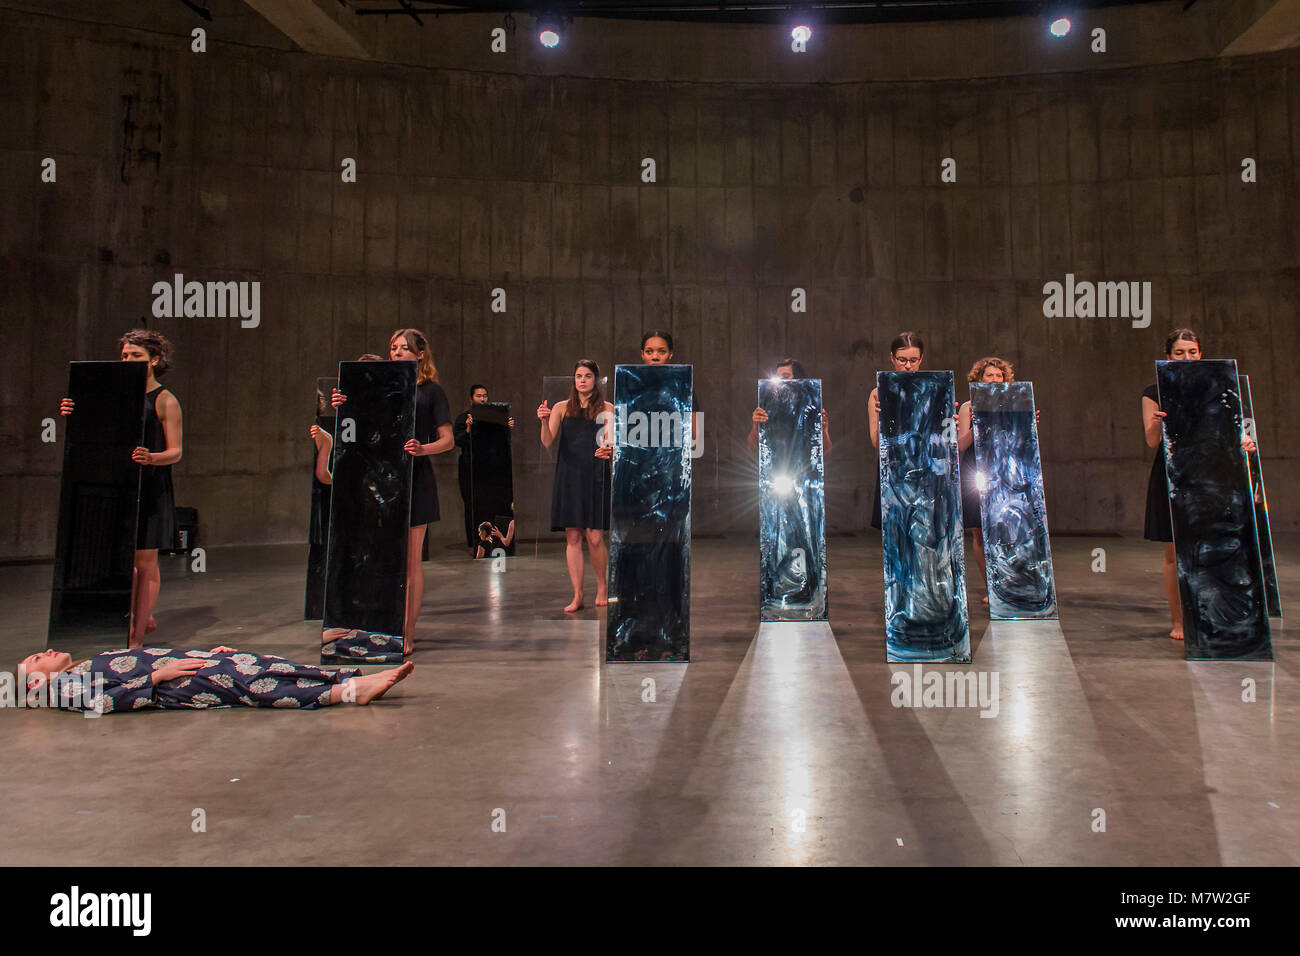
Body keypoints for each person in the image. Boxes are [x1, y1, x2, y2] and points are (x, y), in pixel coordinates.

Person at [59, 330, 183, 649]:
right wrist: (73, 412)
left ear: (154, 360)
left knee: (145, 561)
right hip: (118, 484)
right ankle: (139, 616)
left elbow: (176, 451)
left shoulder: (164, 399)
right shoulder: (112, 394)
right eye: (125, 355)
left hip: (150, 487)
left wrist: (151, 457)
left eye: (135, 356)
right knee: (119, 559)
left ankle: (137, 636)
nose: (127, 360)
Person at [332, 331, 453, 655]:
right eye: (392, 348)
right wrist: (344, 402)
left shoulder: (431, 392)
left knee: (411, 562)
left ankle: (407, 632)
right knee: (379, 557)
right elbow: (359, 428)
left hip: (416, 480)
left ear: (420, 354)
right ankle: (377, 624)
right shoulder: (381, 388)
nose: (397, 353)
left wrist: (422, 447)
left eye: (404, 349)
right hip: (380, 480)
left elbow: (448, 439)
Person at [1141, 328, 1256, 642]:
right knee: (1174, 553)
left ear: (1200, 354)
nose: (1187, 358)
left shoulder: (1219, 386)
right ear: (1169, 357)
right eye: (1180, 353)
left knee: (1213, 548)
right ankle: (1179, 621)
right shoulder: (1155, 390)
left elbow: (1231, 430)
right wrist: (1158, 421)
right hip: (1172, 476)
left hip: (1211, 478)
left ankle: (1211, 616)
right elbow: (1152, 441)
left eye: (1192, 352)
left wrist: (1243, 442)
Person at [18, 647, 413, 713]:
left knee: (257, 663)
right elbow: (99, 704)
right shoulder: (60, 689)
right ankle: (346, 692)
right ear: (36, 683)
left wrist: (204, 652)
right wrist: (159, 676)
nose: (46, 653)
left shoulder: (79, 669)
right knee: (247, 686)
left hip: (186, 666)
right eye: (38, 659)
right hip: (173, 685)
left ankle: (346, 677)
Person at [956, 357, 1034, 604]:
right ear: (978, 379)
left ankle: (1011, 581)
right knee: (979, 532)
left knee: (1006, 528)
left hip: (1003, 472)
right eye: (989, 375)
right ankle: (991, 586)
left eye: (998, 376)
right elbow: (959, 445)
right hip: (976, 469)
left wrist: (1028, 424)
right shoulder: (968, 407)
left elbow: (1021, 444)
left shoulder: (1012, 404)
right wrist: (976, 425)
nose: (994, 380)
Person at [538, 360, 614, 612]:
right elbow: (548, 441)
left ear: (595, 379)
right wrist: (543, 420)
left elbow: (612, 441)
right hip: (569, 476)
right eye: (579, 376)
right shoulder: (561, 407)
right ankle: (577, 594)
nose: (582, 380)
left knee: (594, 537)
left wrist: (610, 449)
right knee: (572, 535)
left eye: (588, 376)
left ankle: (602, 585)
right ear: (573, 379)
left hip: (595, 474)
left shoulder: (606, 408)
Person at [868, 332, 925, 530]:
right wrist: (884, 421)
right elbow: (876, 442)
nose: (908, 366)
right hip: (893, 470)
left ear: (921, 360)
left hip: (924, 469)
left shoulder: (933, 390)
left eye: (913, 360)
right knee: (896, 533)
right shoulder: (878, 393)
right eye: (902, 360)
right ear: (892, 358)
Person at [454, 384, 515, 555]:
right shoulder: (463, 418)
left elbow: (500, 444)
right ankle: (472, 543)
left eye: (485, 395)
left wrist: (507, 428)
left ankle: (494, 544)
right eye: (478, 396)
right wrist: (468, 428)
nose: (482, 399)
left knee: (494, 503)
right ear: (471, 398)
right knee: (471, 506)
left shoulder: (494, 418)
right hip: (470, 469)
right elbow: (458, 441)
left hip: (491, 470)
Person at [747, 358, 833, 454]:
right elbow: (753, 449)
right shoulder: (767, 409)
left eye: (785, 376)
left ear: (798, 379)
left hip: (805, 467)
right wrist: (755, 426)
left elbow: (825, 454)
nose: (781, 382)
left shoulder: (811, 409)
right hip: (775, 467)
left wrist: (824, 432)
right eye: (778, 377)